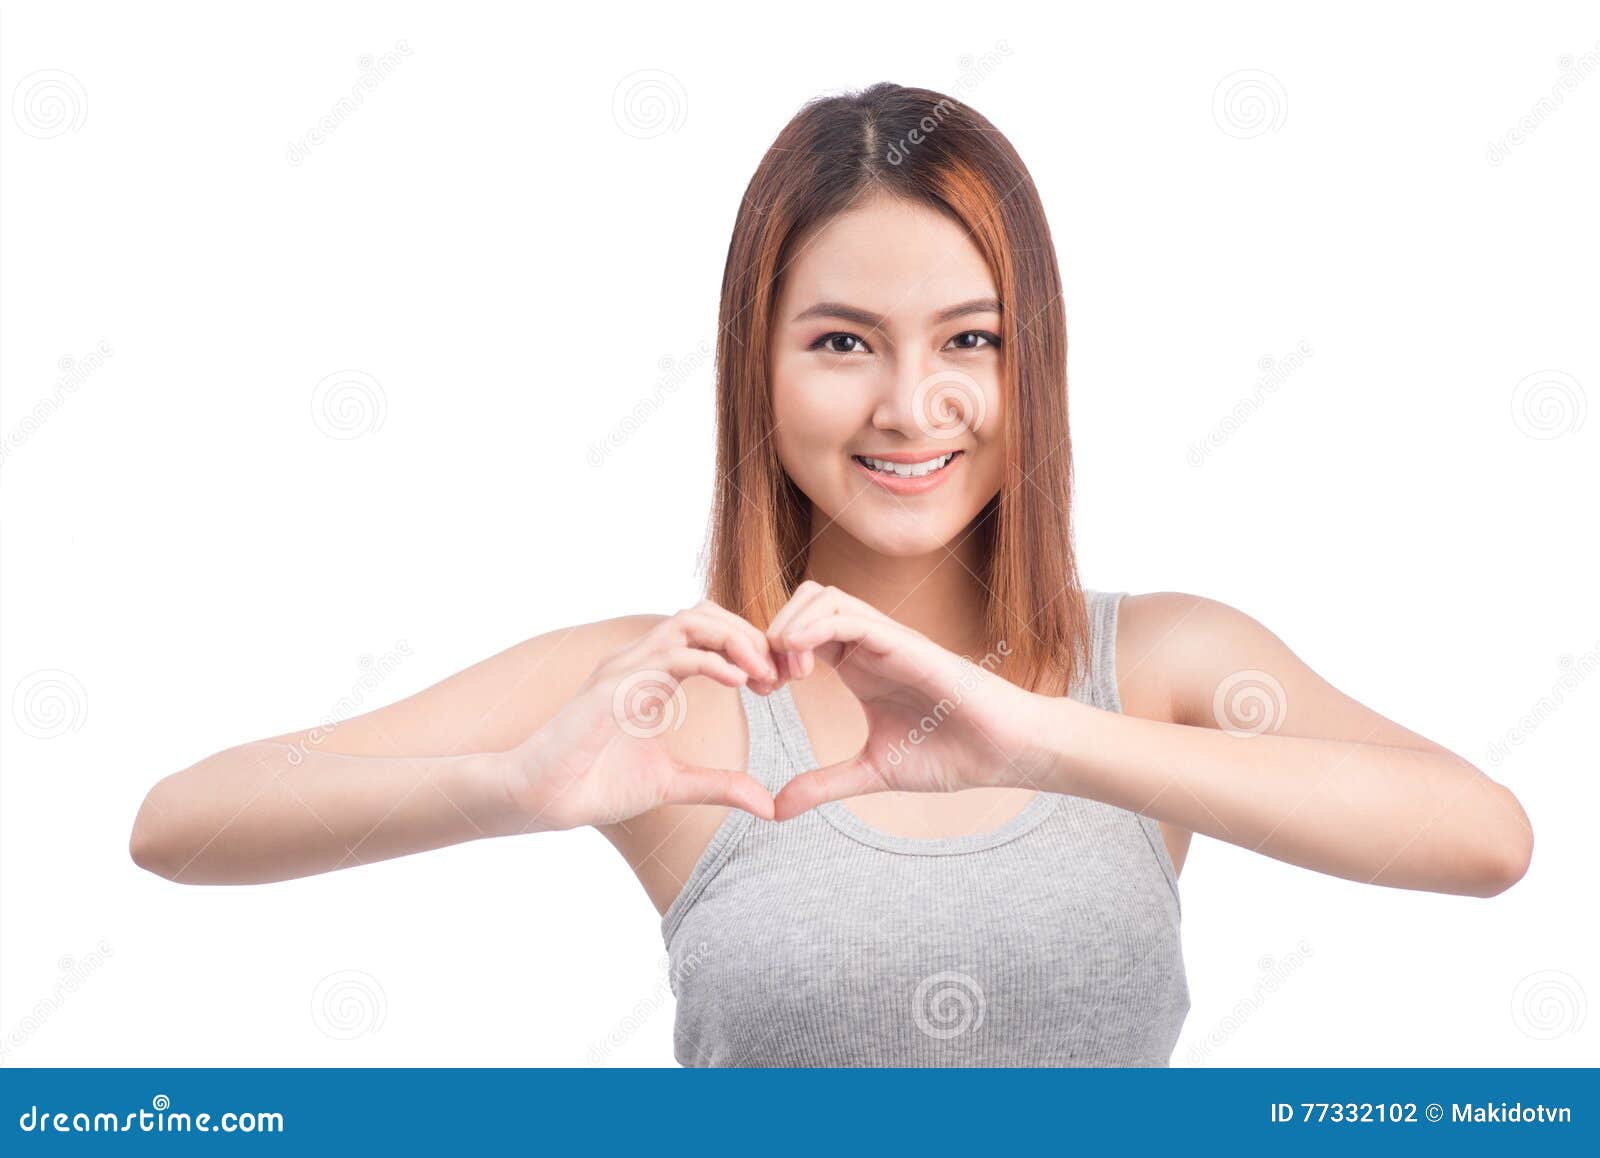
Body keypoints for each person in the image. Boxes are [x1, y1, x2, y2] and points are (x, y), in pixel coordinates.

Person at [129, 82, 1533, 1067]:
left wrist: (1039, 734)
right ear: (760, 366)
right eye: (845, 342)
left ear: (1034, 361)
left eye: (971, 341)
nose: (911, 406)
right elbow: (180, 824)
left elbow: (1483, 839)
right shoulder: (661, 687)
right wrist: (510, 786)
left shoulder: (1164, 668)